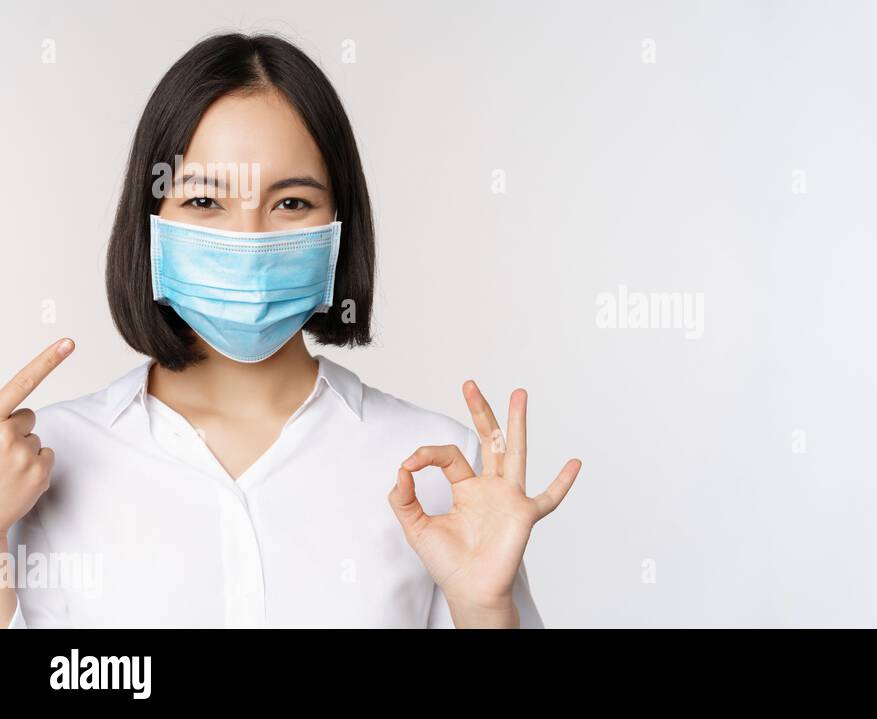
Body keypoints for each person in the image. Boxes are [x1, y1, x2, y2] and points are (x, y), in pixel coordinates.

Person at [0, 33, 580, 628]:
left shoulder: (436, 468)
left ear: (339, 224)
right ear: (150, 224)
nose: (250, 241)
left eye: (291, 203)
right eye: (204, 201)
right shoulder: (31, 465)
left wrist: (484, 608)